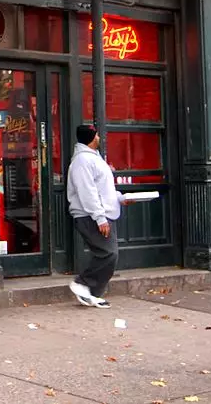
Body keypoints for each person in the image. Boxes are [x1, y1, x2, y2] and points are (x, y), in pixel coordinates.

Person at [67, 124, 127, 309]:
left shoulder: (92, 159)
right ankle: (82, 283)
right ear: (92, 138)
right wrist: (99, 218)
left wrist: (120, 198)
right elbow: (87, 192)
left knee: (108, 254)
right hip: (90, 216)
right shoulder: (82, 161)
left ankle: (92, 293)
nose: (100, 138)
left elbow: (102, 189)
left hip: (101, 213)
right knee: (108, 253)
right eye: (97, 135)